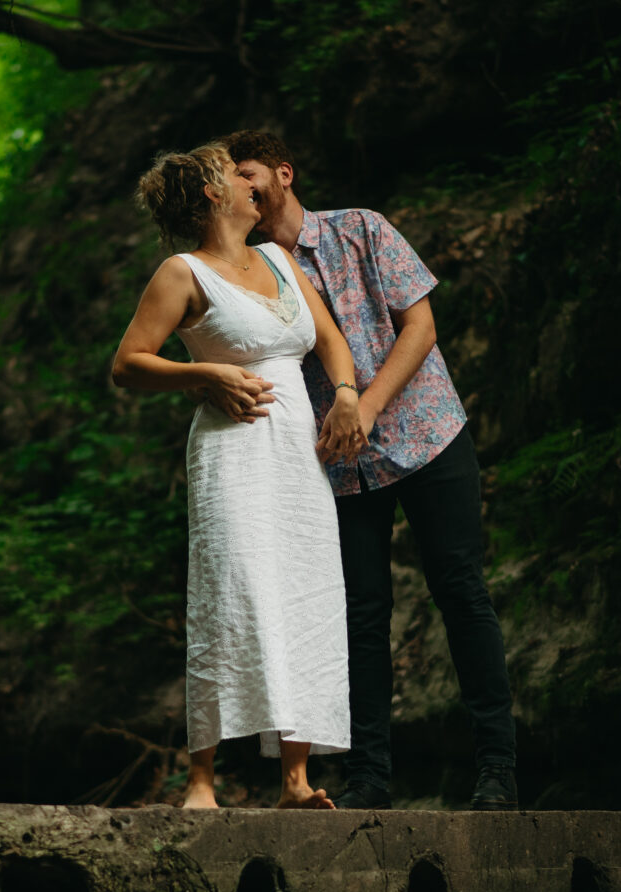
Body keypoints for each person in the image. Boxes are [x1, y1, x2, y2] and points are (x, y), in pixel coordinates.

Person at [221, 129, 519, 812]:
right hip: (339, 466)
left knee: (461, 592)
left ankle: (497, 770)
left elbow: (421, 327)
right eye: (230, 179)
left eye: (248, 172)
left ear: (284, 173)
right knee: (360, 614)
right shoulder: (252, 272)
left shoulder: (362, 229)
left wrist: (367, 406)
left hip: (428, 435)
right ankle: (369, 780)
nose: (241, 187)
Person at [110, 143, 366, 809]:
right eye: (236, 174)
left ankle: (295, 781)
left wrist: (344, 394)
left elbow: (330, 340)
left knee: (305, 595)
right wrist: (205, 374)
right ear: (212, 194)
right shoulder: (182, 272)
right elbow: (128, 363)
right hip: (233, 450)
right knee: (231, 594)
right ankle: (201, 779)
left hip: (298, 454)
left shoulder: (280, 258)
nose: (253, 184)